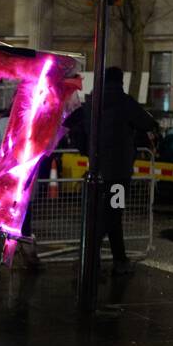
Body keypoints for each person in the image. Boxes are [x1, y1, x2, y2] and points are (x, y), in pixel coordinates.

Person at [63, 67, 157, 274]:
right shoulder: (125, 102)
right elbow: (148, 122)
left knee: (104, 215)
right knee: (113, 215)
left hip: (96, 171)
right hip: (119, 172)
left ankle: (119, 259)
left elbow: (69, 122)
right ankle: (89, 257)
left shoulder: (91, 102)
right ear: (120, 81)